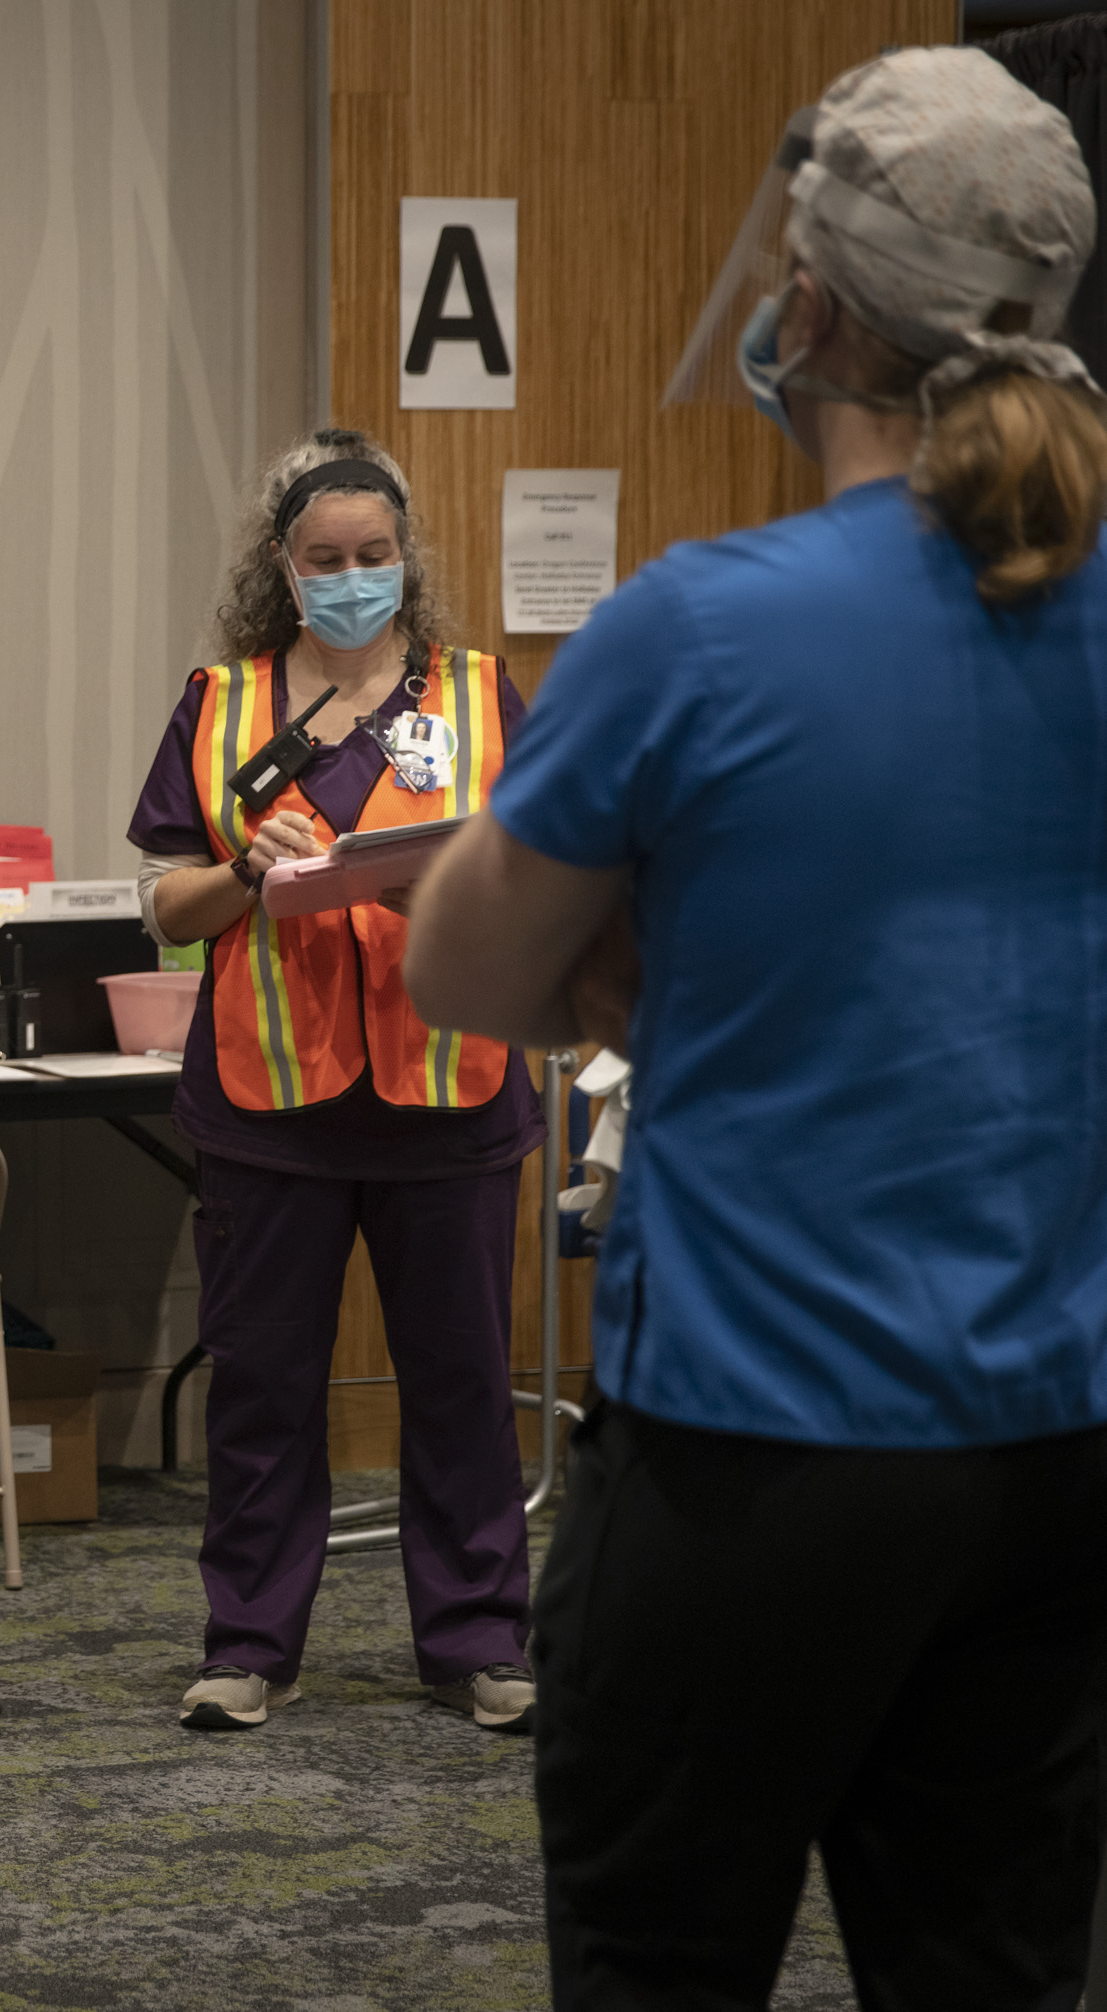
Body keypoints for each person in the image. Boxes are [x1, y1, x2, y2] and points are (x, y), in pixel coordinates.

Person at [405, 48, 1107, 2009]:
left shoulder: (695, 627)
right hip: (1049, 1451)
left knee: (656, 1967)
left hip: (746, 1458)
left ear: (808, 307)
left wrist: (627, 907)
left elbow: (460, 973)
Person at [125, 429, 544, 1736]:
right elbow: (163, 911)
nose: (349, 578)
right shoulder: (220, 703)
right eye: (322, 559)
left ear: (404, 561)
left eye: (371, 557)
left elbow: (547, 881)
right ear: (280, 566)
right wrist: (245, 868)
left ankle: (474, 1640)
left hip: (448, 1088)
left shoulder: (477, 698)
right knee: (259, 1385)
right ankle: (248, 1645)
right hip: (270, 1102)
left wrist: (457, 884)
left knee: (462, 1385)